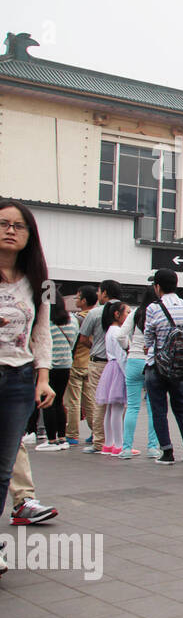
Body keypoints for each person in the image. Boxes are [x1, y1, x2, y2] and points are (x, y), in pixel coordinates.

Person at [0, 200, 58, 560]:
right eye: (3, 223)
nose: (10, 230)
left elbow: (43, 331)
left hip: (20, 380)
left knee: (4, 467)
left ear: (29, 235)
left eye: (18, 226)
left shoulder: (43, 282)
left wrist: (43, 379)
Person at [143, 268, 183, 465]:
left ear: (157, 287)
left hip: (157, 365)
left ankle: (167, 452)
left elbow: (148, 338)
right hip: (181, 365)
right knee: (181, 407)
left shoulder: (153, 308)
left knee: (159, 409)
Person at [74, 278, 123, 454]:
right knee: (118, 404)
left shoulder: (94, 313)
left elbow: (83, 338)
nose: (97, 294)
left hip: (98, 362)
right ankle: (118, 441)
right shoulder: (126, 312)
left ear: (105, 293)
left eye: (99, 291)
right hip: (119, 364)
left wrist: (95, 346)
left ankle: (99, 441)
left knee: (99, 403)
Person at [120, 298, 160, 459]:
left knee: (132, 406)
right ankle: (153, 447)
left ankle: (127, 448)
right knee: (153, 407)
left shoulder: (136, 313)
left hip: (134, 360)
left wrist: (128, 347)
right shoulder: (158, 312)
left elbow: (121, 335)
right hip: (151, 361)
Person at [36, 289, 75, 451]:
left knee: (48, 402)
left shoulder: (46, 322)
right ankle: (62, 438)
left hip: (50, 366)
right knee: (59, 402)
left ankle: (51, 440)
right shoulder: (72, 320)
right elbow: (73, 343)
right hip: (66, 365)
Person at [62, 285, 98, 445]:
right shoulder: (98, 316)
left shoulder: (77, 319)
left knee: (73, 401)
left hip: (75, 363)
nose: (76, 300)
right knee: (90, 401)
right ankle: (96, 431)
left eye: (77, 298)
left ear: (84, 301)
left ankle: (72, 434)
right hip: (89, 364)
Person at [96, 300, 130, 456]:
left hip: (111, 368)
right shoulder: (117, 332)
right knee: (117, 408)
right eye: (127, 312)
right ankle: (119, 444)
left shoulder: (110, 330)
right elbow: (121, 355)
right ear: (117, 314)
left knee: (111, 409)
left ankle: (109, 444)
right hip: (118, 368)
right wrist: (127, 374)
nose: (128, 316)